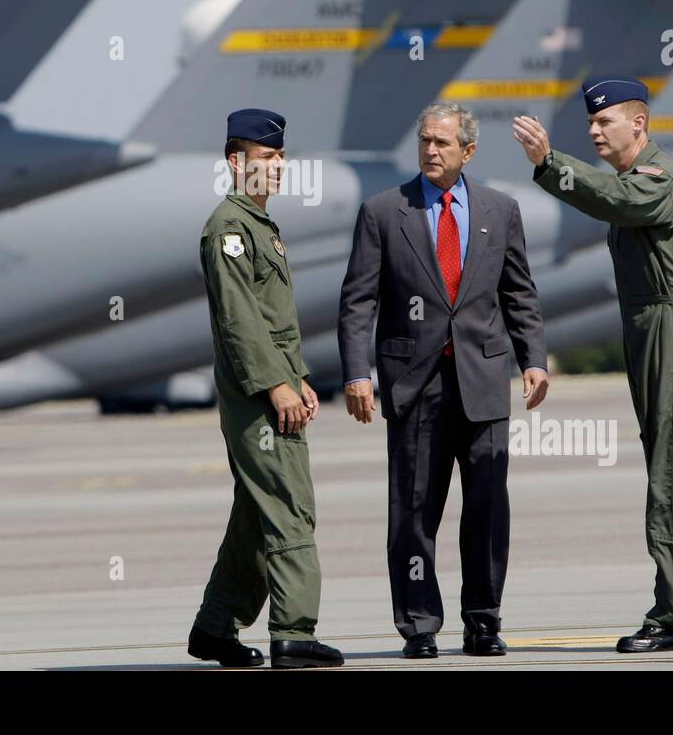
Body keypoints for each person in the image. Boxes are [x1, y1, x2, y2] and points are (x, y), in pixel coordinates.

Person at [513, 75, 673, 652]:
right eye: (590, 122)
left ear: (638, 124)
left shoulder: (655, 180)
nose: (593, 130)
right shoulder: (636, 178)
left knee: (669, 476)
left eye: (603, 121)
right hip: (655, 332)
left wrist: (550, 164)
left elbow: (617, 200)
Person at [338, 100, 548, 658]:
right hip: (414, 383)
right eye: (425, 141)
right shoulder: (384, 211)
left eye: (443, 143)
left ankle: (483, 620)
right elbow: (357, 300)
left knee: (486, 507)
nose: (431, 150)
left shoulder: (500, 210)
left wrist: (534, 359)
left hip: (482, 379)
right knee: (412, 510)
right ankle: (419, 624)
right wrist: (358, 372)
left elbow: (518, 293)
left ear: (468, 151)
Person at [187, 108, 344, 670]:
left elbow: (271, 320)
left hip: (275, 385)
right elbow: (239, 321)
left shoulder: (258, 226)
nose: (279, 167)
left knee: (256, 514)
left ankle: (214, 629)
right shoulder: (228, 228)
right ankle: (294, 633)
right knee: (288, 506)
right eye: (267, 158)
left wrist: (297, 378)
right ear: (237, 162)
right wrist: (277, 386)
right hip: (255, 395)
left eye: (281, 158)